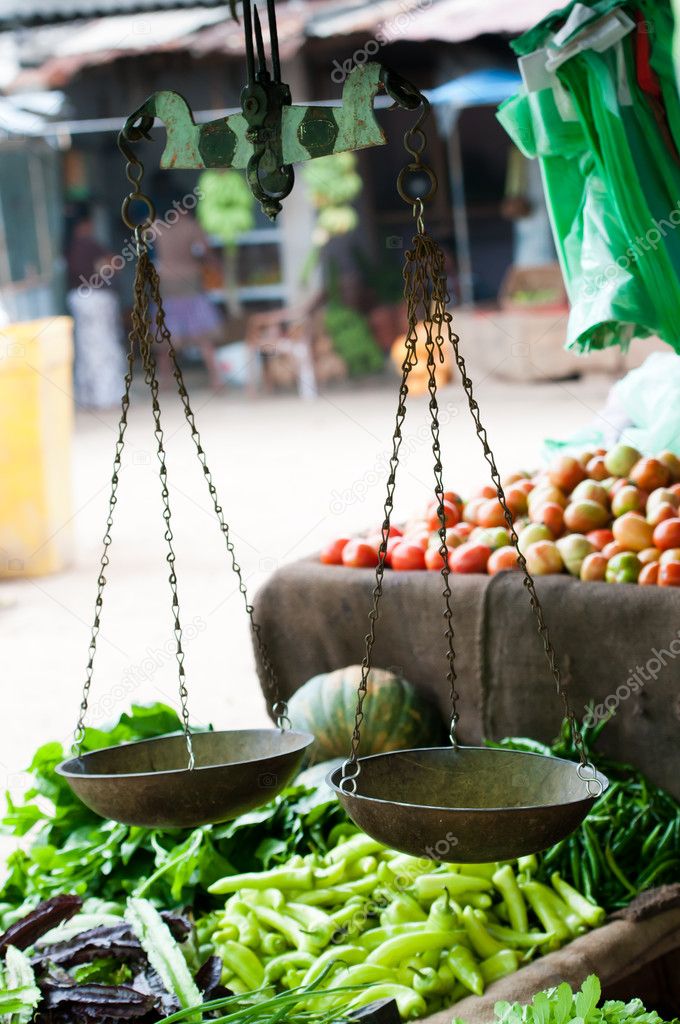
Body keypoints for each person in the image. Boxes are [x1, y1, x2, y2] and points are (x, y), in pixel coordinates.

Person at [151, 207, 224, 389]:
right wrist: (216, 264)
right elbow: (204, 251)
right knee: (204, 337)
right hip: (190, 282)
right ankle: (217, 380)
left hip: (166, 283)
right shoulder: (192, 226)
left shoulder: (156, 226)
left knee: (166, 337)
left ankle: (165, 383)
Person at [66, 205, 126, 409]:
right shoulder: (88, 244)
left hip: (79, 300)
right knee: (104, 347)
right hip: (97, 299)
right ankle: (106, 397)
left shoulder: (68, 246)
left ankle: (88, 397)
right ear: (86, 224)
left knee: (85, 348)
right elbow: (115, 264)